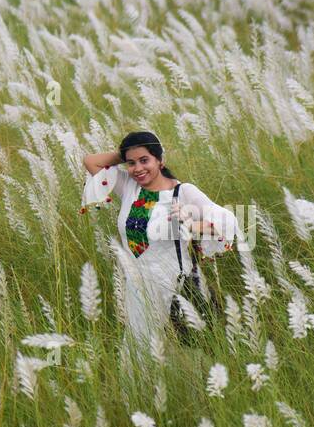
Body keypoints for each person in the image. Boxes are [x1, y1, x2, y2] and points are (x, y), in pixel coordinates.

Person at [81, 131, 239, 357]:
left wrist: (192, 225)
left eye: (145, 160)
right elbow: (90, 161)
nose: (137, 168)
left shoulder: (182, 191)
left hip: (174, 284)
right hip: (138, 288)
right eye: (131, 163)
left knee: (180, 353)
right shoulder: (129, 187)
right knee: (141, 353)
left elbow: (229, 222)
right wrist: (129, 150)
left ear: (160, 160)